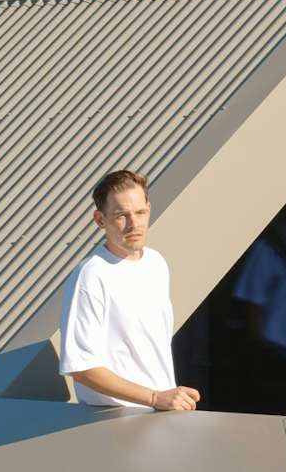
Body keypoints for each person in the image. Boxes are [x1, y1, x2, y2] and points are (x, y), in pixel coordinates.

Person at [59, 169, 202, 412]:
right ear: (99, 219)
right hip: (116, 424)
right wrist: (155, 397)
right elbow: (81, 367)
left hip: (160, 416)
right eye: (121, 215)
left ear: (149, 209)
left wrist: (162, 400)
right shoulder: (91, 276)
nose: (134, 224)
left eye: (140, 212)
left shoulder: (156, 263)